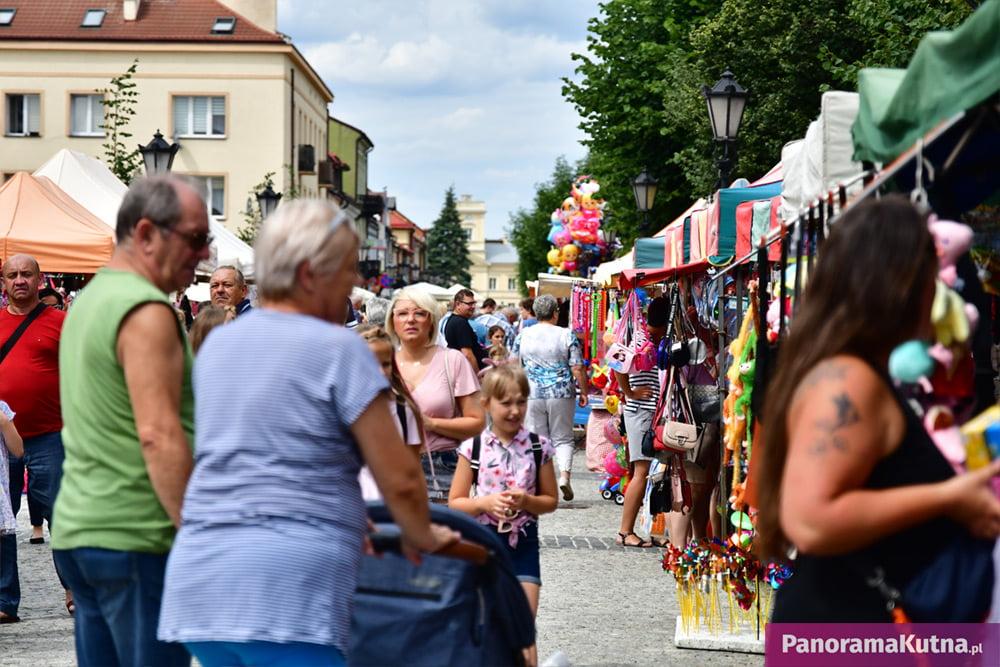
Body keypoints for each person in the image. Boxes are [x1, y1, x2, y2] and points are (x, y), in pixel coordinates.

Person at [157, 199, 458, 666]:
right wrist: (424, 536)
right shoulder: (339, 349)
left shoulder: (218, 346)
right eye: (344, 270)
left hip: (203, 578)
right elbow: (397, 472)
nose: (351, 284)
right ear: (309, 272)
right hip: (287, 588)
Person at [754, 195, 1000, 623]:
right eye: (931, 270)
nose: (940, 288)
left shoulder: (851, 371)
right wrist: (949, 498)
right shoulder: (848, 380)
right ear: (899, 280)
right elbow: (811, 519)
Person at [52, 175, 211, 667]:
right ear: (146, 234)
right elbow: (159, 435)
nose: (203, 254)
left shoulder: (91, 301)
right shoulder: (145, 310)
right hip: (136, 534)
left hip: (82, 529)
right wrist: (201, 534)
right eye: (195, 238)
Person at [449, 364, 558, 667]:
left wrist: (527, 501)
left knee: (524, 628)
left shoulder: (539, 447)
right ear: (486, 405)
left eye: (521, 401)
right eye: (506, 403)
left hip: (523, 544)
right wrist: (484, 503)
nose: (514, 410)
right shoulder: (473, 449)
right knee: (484, 626)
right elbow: (456, 502)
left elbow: (550, 501)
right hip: (484, 546)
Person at [0, 254, 73, 618]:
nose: (19, 281)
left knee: (64, 516)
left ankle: (75, 590)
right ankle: (3, 601)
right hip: (0, 441)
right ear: (3, 281)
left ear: (39, 279)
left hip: (50, 436)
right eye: (12, 275)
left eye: (26, 274)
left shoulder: (61, 322)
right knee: (0, 522)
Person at [387, 286, 485, 500]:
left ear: (431, 320)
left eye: (419, 313)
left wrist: (431, 424)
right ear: (392, 321)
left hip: (441, 467)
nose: (410, 319)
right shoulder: (381, 364)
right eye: (402, 313)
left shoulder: (452, 361)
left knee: (442, 532)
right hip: (390, 468)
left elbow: (477, 422)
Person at [511, 294, 588, 501]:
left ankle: (536, 482)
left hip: (532, 393)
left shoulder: (523, 335)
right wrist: (584, 392)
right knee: (563, 438)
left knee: (535, 437)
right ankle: (564, 476)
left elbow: (512, 365)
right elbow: (578, 367)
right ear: (555, 313)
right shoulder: (566, 334)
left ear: (536, 314)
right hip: (561, 392)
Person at [612, 296, 668, 548]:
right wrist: (630, 392)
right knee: (641, 472)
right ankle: (625, 532)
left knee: (644, 472)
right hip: (639, 411)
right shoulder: (642, 340)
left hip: (644, 411)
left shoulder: (649, 339)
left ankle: (636, 529)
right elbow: (615, 363)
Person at [359, 327, 425, 500]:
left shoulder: (403, 409)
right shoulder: (339, 410)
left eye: (386, 364)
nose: (380, 371)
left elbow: (413, 468)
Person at [0, 399, 25, 623]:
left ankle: (6, 602)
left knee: (4, 547)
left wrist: (4, 422)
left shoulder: (2, 408)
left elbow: (18, 450)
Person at [443, 289, 487, 370]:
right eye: (469, 304)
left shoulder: (455, 320)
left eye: (474, 303)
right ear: (458, 304)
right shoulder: (460, 323)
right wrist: (477, 377)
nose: (473, 307)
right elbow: (467, 354)